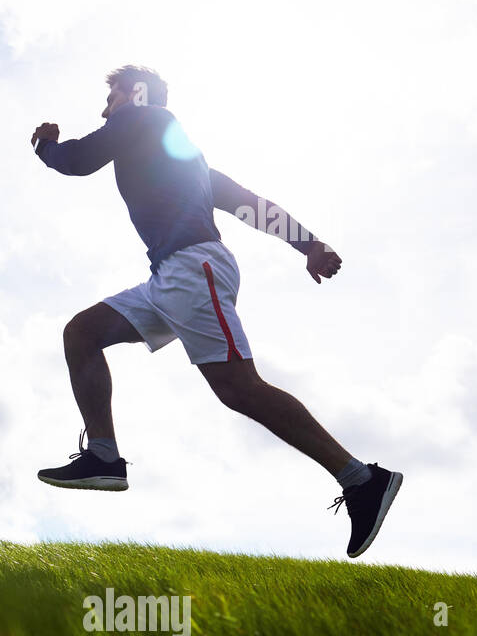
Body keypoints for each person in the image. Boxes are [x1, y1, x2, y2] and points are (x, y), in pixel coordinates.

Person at [31, 65, 401, 558]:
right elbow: (247, 203)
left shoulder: (143, 116)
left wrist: (47, 148)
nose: (106, 108)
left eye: (112, 96)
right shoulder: (183, 156)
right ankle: (103, 456)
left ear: (134, 94)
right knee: (82, 333)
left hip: (193, 269)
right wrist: (308, 245)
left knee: (239, 389)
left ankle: (362, 479)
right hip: (171, 275)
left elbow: (78, 159)